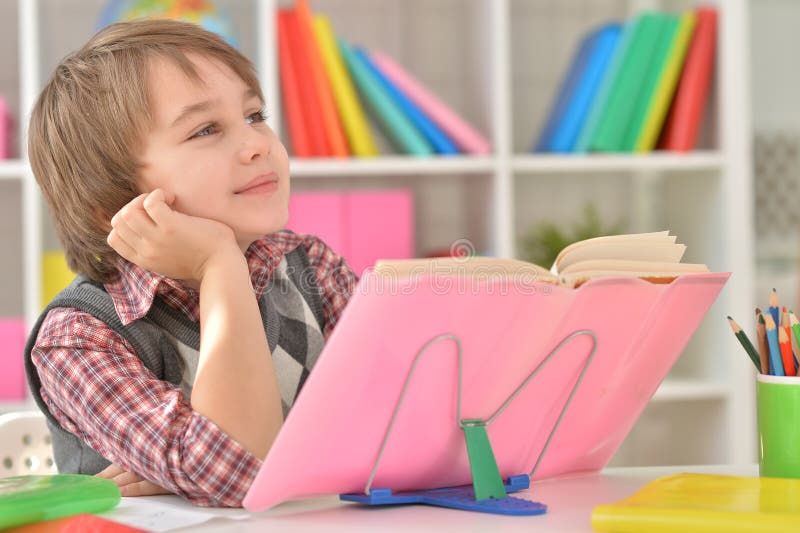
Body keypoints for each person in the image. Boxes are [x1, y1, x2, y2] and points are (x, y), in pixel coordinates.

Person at [23, 18, 358, 507]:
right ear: (113, 201)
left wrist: (209, 465)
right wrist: (219, 264)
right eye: (206, 130)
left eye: (254, 114)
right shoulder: (79, 338)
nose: (259, 144)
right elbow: (243, 473)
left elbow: (404, 423)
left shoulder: (311, 267)